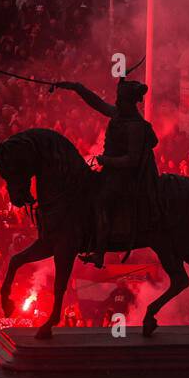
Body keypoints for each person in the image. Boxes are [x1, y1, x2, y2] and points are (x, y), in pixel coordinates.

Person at [53, 73, 160, 268]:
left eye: (120, 99)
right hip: (111, 170)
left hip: (125, 176)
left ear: (129, 102)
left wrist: (106, 160)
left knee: (102, 200)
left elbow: (132, 159)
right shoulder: (119, 115)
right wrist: (74, 86)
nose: (117, 102)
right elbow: (96, 102)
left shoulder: (136, 126)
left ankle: (99, 252)